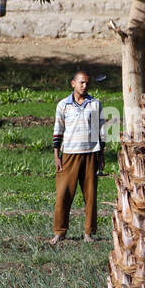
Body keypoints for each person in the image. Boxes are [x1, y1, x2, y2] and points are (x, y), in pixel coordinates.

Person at [51, 68, 105, 245]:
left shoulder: (95, 104)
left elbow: (100, 130)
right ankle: (60, 231)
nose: (84, 86)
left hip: (90, 154)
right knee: (63, 194)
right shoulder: (63, 105)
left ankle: (89, 232)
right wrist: (57, 155)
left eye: (87, 83)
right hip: (69, 155)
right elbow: (58, 130)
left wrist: (101, 155)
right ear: (73, 84)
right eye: (81, 82)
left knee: (90, 196)